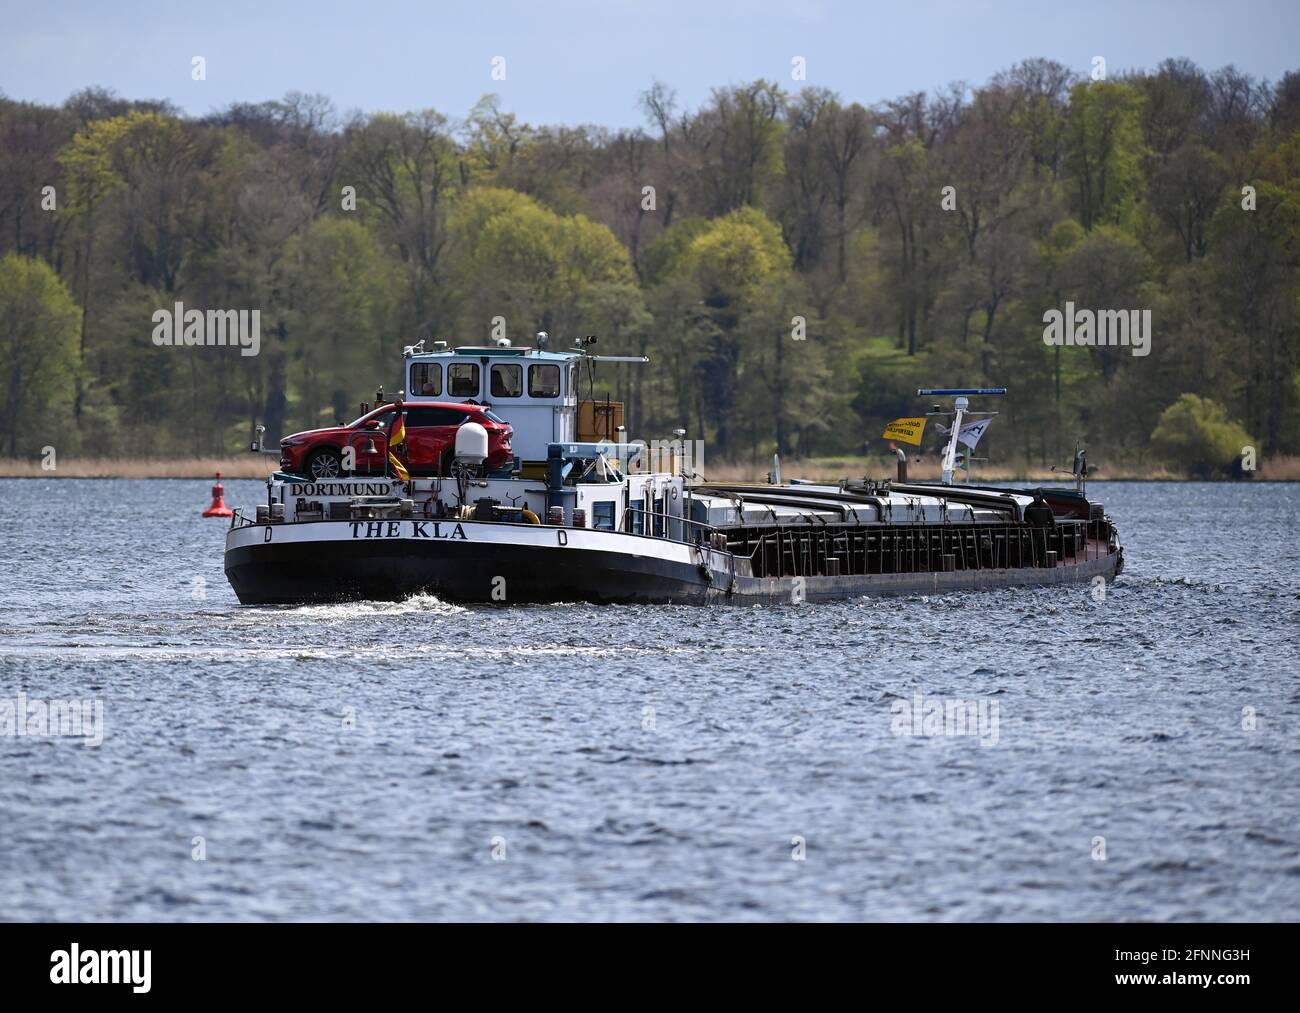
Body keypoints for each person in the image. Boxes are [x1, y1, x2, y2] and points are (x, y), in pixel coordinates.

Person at [1023, 492, 1056, 565]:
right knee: (1033, 548)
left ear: (1041, 497)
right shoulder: (1030, 506)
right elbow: (1026, 516)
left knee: (1042, 549)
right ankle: (1033, 563)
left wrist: (1054, 527)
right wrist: (1030, 522)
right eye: (1035, 497)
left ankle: (1042, 564)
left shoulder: (1046, 506)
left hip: (1043, 531)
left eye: (1038, 497)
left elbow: (1051, 518)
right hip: (1033, 532)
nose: (1036, 498)